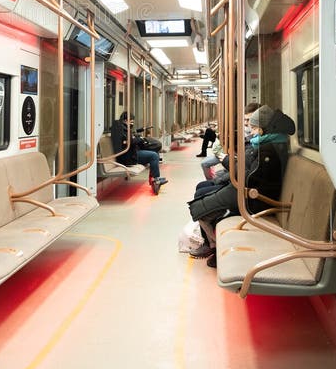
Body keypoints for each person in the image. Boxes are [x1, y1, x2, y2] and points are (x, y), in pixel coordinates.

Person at [187, 104, 295, 267]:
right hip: (250, 192)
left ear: (262, 129)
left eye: (253, 127)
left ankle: (215, 248)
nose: (250, 131)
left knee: (203, 208)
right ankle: (214, 246)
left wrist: (227, 161)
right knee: (203, 201)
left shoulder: (267, 151)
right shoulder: (266, 145)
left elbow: (247, 177)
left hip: (255, 198)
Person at [110, 112, 168, 194]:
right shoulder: (121, 129)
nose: (132, 124)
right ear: (126, 120)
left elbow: (129, 139)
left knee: (154, 153)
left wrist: (136, 138)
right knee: (154, 156)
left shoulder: (121, 128)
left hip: (130, 153)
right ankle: (155, 180)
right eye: (131, 122)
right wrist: (139, 139)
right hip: (128, 157)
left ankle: (155, 179)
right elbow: (129, 141)